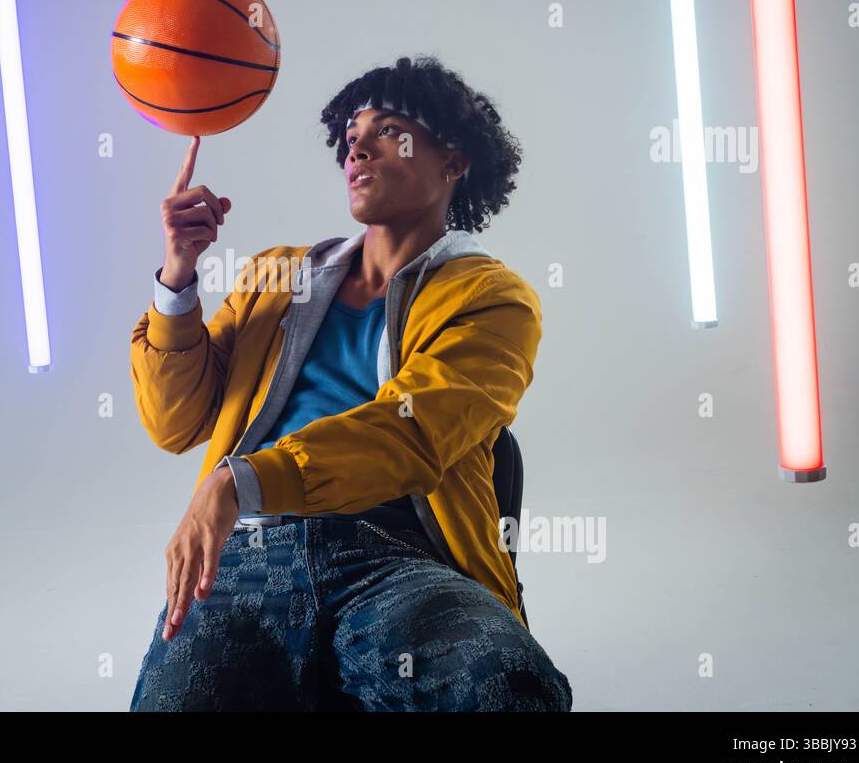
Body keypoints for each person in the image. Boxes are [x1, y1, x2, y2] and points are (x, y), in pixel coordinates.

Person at [128, 55, 573, 711]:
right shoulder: (276, 278)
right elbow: (174, 421)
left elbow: (414, 430)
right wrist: (178, 275)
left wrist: (240, 479)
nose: (357, 146)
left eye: (389, 129)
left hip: (398, 557)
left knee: (507, 688)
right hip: (249, 551)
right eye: (351, 134)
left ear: (454, 160)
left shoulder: (491, 297)